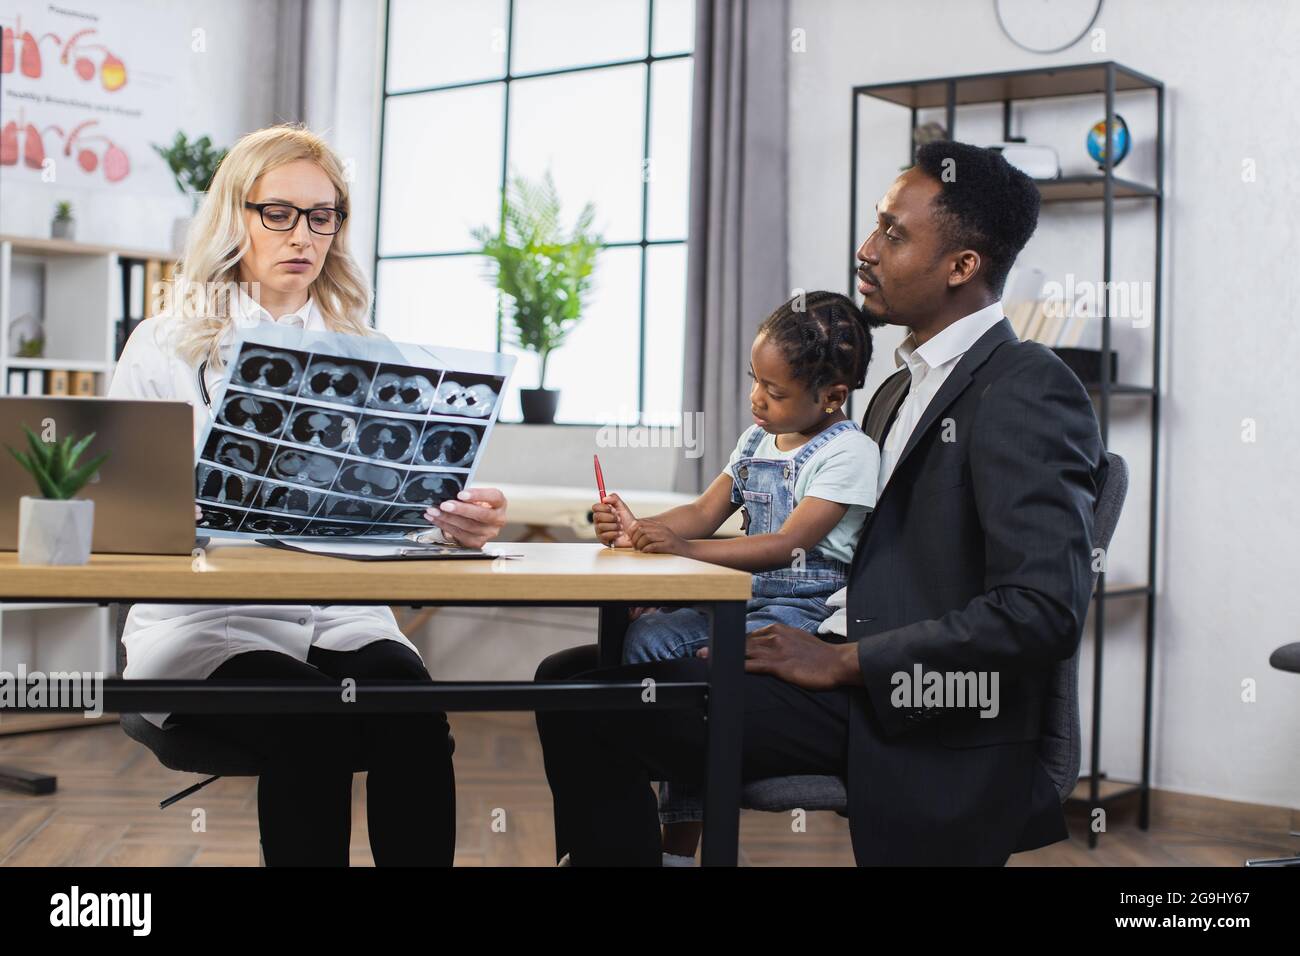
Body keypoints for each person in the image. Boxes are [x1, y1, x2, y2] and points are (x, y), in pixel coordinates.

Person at [534, 140, 1107, 865]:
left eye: (893, 233)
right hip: (824, 649)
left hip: (904, 706)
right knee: (563, 677)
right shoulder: (897, 389)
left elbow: (1041, 611)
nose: (867, 250)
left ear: (962, 266)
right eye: (876, 226)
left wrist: (846, 662)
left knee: (592, 706)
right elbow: (846, 547)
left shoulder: (1026, 387)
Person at [109, 124, 509, 866]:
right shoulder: (163, 345)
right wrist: (181, 509)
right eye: (279, 213)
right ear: (235, 216)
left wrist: (451, 523)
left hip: (341, 611)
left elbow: (394, 516)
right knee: (314, 722)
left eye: (322, 216)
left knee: (413, 715)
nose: (303, 235)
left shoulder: (372, 352)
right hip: (208, 621)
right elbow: (121, 507)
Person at [593, 290, 877, 864]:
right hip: (741, 598)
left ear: (832, 396)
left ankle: (678, 844)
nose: (757, 399)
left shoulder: (850, 453)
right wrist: (639, 529)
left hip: (804, 612)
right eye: (755, 380)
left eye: (775, 391)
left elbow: (788, 545)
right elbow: (703, 513)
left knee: (682, 661)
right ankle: (653, 827)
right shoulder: (755, 441)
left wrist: (682, 549)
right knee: (648, 639)